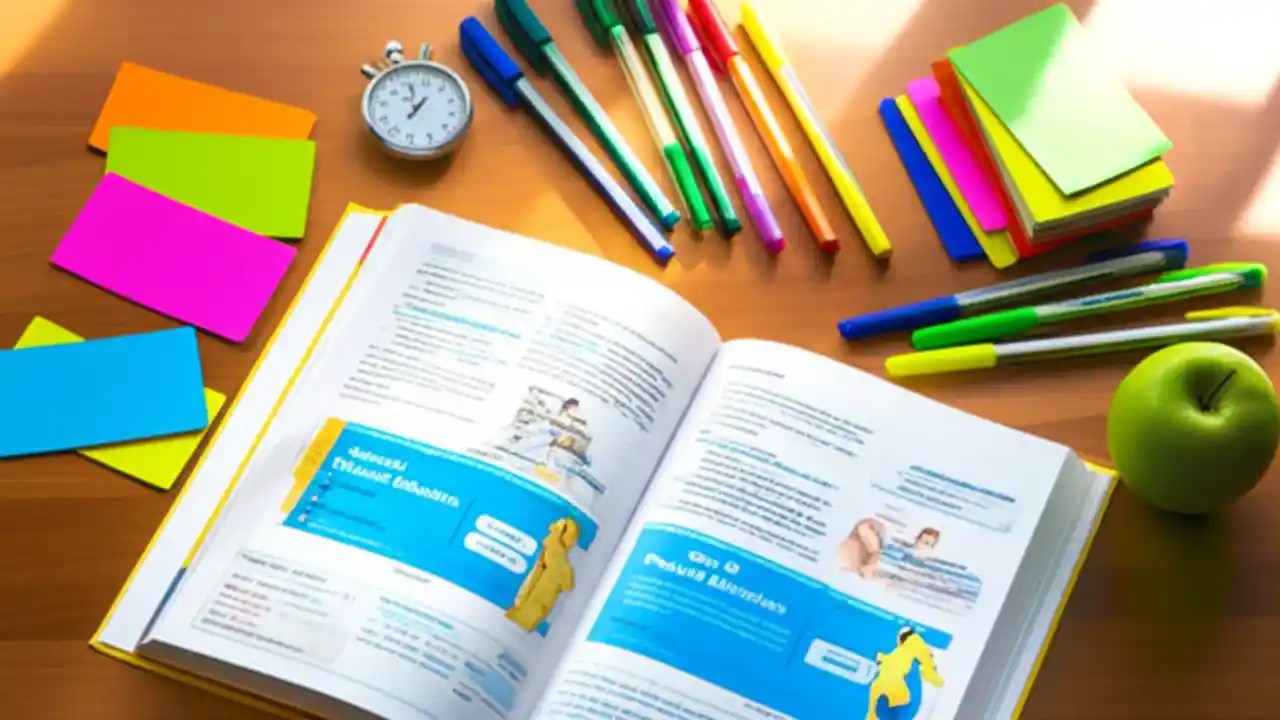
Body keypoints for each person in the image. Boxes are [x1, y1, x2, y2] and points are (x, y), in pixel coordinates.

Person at [506, 517, 580, 632]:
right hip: (529, 610)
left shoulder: (556, 559)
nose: (548, 536)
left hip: (529, 612)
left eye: (553, 532)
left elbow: (567, 584)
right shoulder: (556, 560)